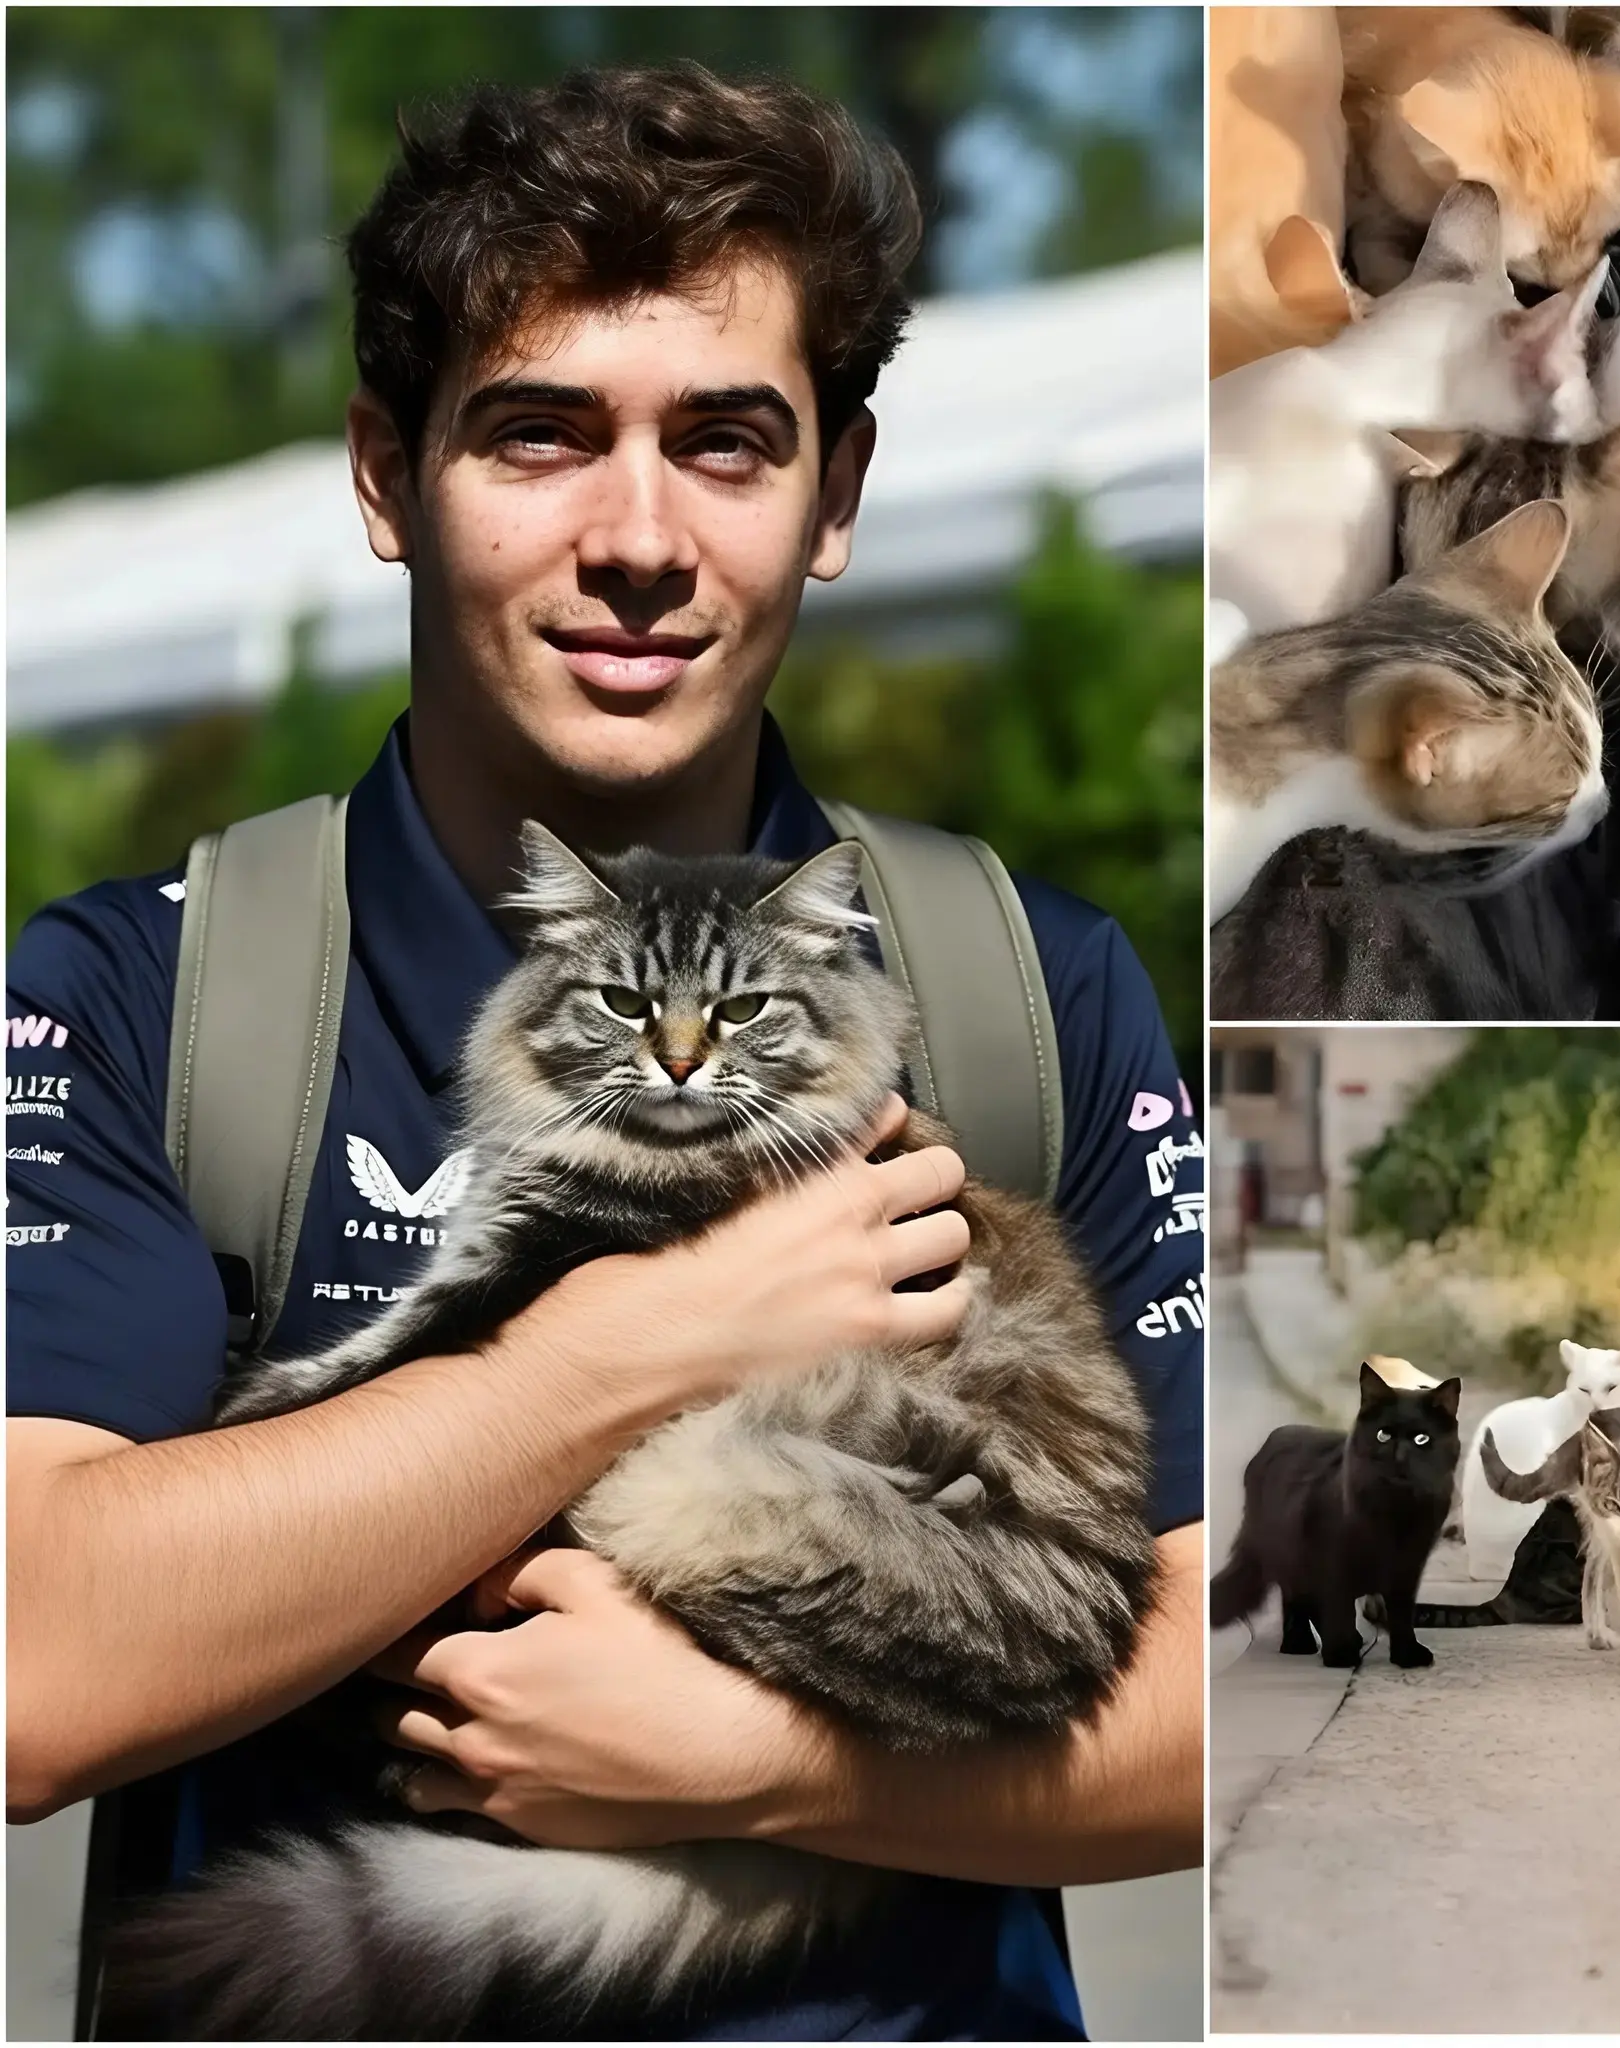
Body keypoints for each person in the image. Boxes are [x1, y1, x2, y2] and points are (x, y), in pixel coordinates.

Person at [6, 62, 1203, 2041]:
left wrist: (775, 1765)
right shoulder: (145, 995)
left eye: (728, 443)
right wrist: (637, 1342)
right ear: (386, 477)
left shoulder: (1025, 984)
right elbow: (31, 1668)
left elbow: (1194, 1701)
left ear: (839, 497)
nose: (638, 538)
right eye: (541, 437)